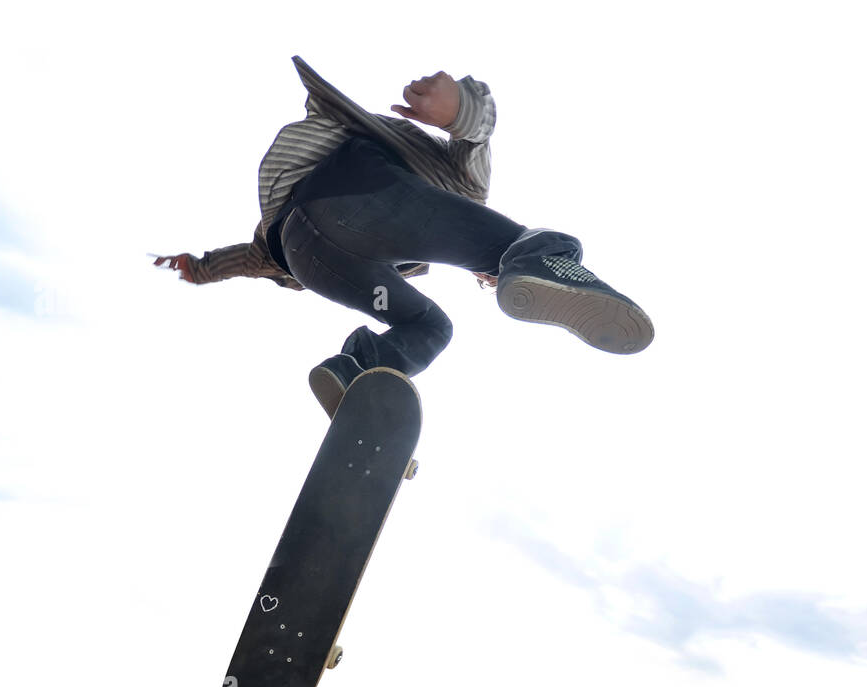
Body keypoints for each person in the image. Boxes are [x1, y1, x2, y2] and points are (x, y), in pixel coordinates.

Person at [154, 56, 653, 417]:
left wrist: (200, 269)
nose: (479, 273)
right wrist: (460, 108)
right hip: (351, 191)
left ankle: (355, 373)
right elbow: (474, 139)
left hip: (310, 255)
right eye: (488, 275)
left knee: (431, 327)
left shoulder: (409, 249)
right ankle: (545, 261)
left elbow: (253, 259)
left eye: (486, 277)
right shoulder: (461, 192)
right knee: (532, 240)